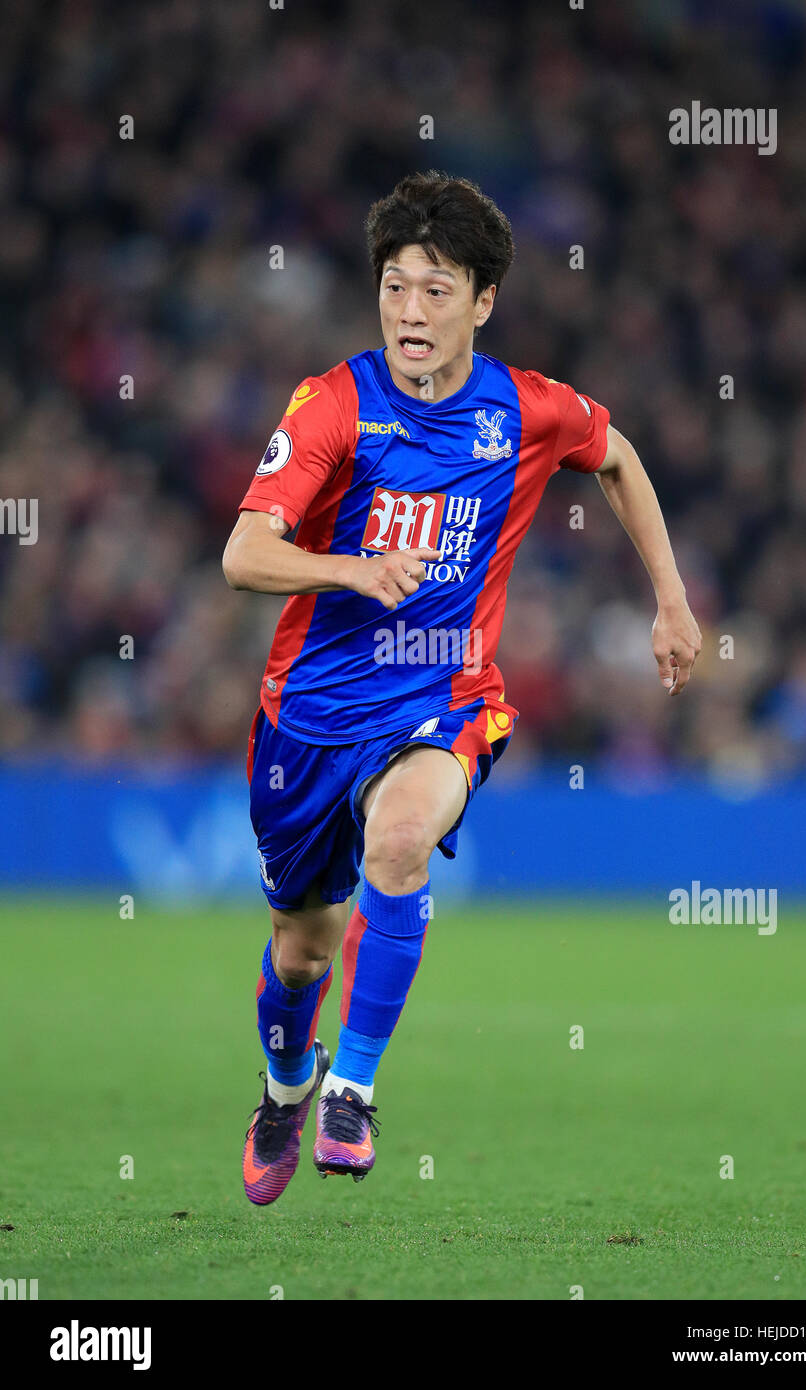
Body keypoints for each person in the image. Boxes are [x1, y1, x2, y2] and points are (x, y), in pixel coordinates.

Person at [222, 171, 702, 1205]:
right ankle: (284, 1087)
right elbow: (243, 553)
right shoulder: (333, 405)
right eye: (395, 287)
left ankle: (352, 1087)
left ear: (482, 301)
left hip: (442, 695)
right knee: (298, 953)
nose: (409, 311)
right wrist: (348, 568)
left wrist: (669, 599)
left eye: (436, 290)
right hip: (306, 715)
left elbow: (614, 458)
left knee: (399, 842)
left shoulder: (525, 408)